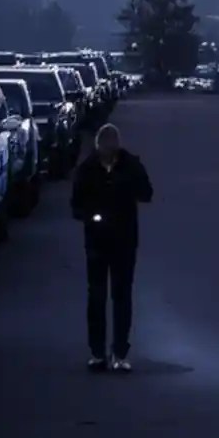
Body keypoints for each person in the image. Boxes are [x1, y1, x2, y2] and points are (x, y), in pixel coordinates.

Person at [71, 123, 153, 373]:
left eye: (111, 146)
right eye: (104, 146)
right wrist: (90, 215)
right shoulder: (87, 169)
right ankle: (97, 353)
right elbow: (75, 204)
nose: (107, 151)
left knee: (121, 296)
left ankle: (119, 352)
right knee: (96, 296)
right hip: (96, 241)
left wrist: (130, 187)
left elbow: (147, 193)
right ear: (98, 146)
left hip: (124, 240)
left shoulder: (131, 165)